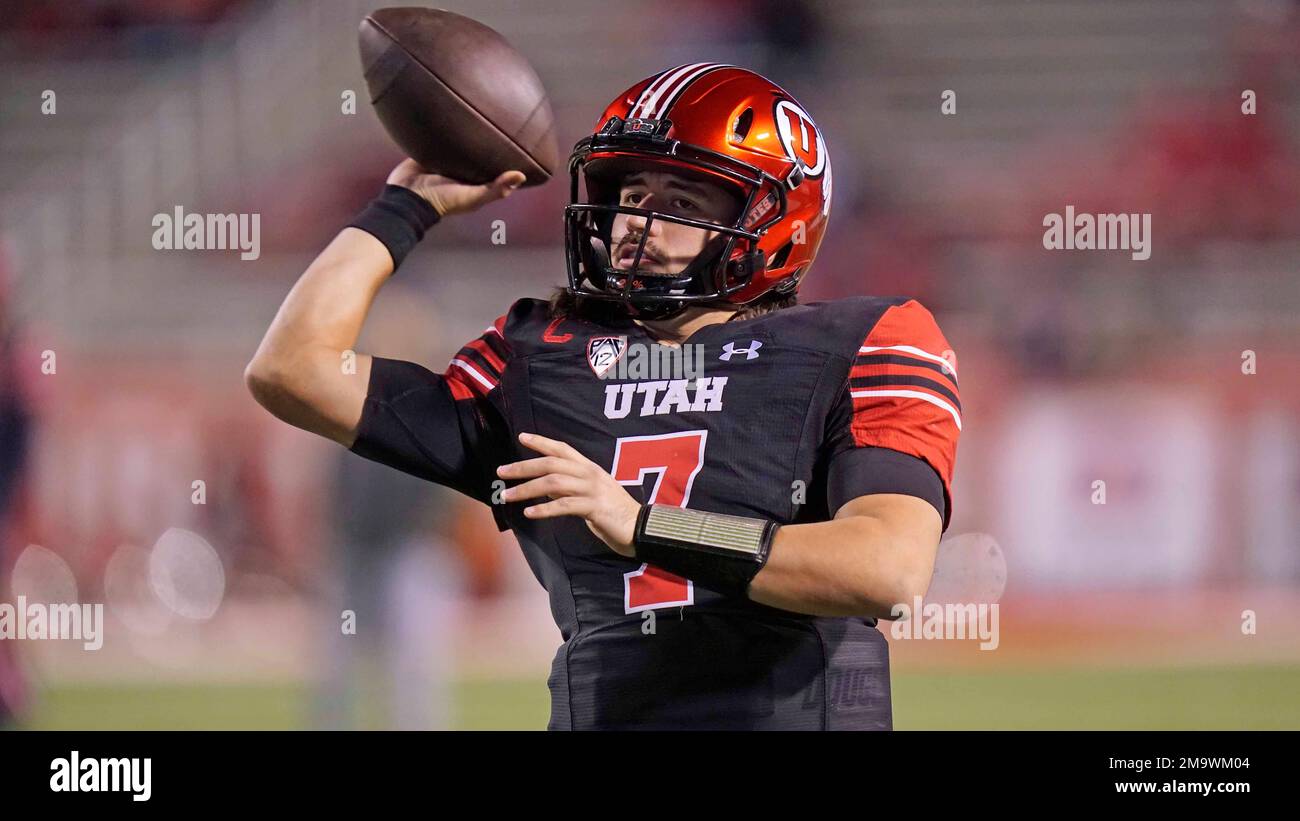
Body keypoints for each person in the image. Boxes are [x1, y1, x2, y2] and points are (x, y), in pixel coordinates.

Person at [247, 64, 961, 729]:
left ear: (774, 221)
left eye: (681, 200)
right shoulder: (543, 356)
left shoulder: (862, 339)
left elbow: (887, 569)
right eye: (631, 195)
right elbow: (292, 367)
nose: (636, 225)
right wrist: (405, 206)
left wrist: (645, 525)